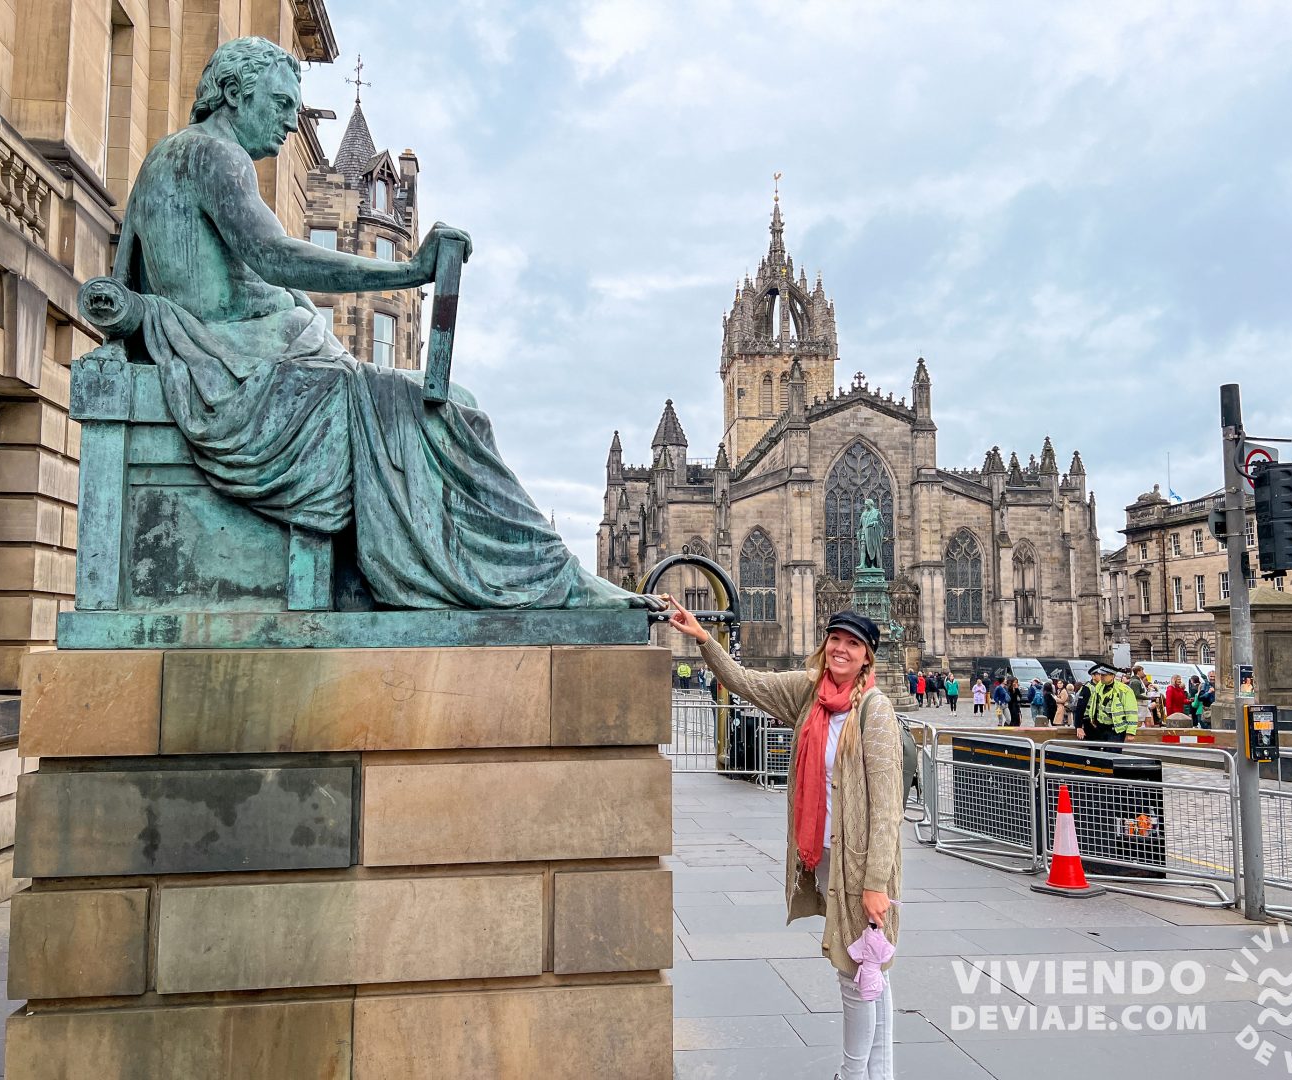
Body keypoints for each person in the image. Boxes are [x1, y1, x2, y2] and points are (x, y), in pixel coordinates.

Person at [106, 37, 641, 611]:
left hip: (248, 366)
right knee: (451, 411)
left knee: (449, 407)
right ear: (235, 95)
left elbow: (126, 278)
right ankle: (544, 580)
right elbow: (276, 255)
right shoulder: (214, 155)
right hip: (243, 379)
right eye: (282, 104)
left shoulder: (164, 159)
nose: (293, 122)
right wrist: (407, 271)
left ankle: (541, 574)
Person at [663, 598, 902, 1080]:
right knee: (869, 966)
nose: (840, 649)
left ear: (866, 656)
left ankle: (853, 1074)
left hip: (861, 862)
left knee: (852, 971)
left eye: (851, 644)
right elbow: (748, 683)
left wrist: (877, 882)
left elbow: (889, 807)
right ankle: (881, 1074)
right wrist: (704, 639)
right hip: (830, 853)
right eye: (835, 639)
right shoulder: (809, 694)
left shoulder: (874, 711)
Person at [1083, 668, 1138, 742]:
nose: (1101, 677)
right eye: (1100, 675)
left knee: (1113, 752)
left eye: (1104, 675)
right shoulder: (1099, 687)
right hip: (1100, 727)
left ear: (1112, 676)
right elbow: (1093, 703)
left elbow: (1131, 711)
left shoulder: (1124, 690)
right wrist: (1091, 718)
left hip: (1116, 729)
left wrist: (1131, 732)